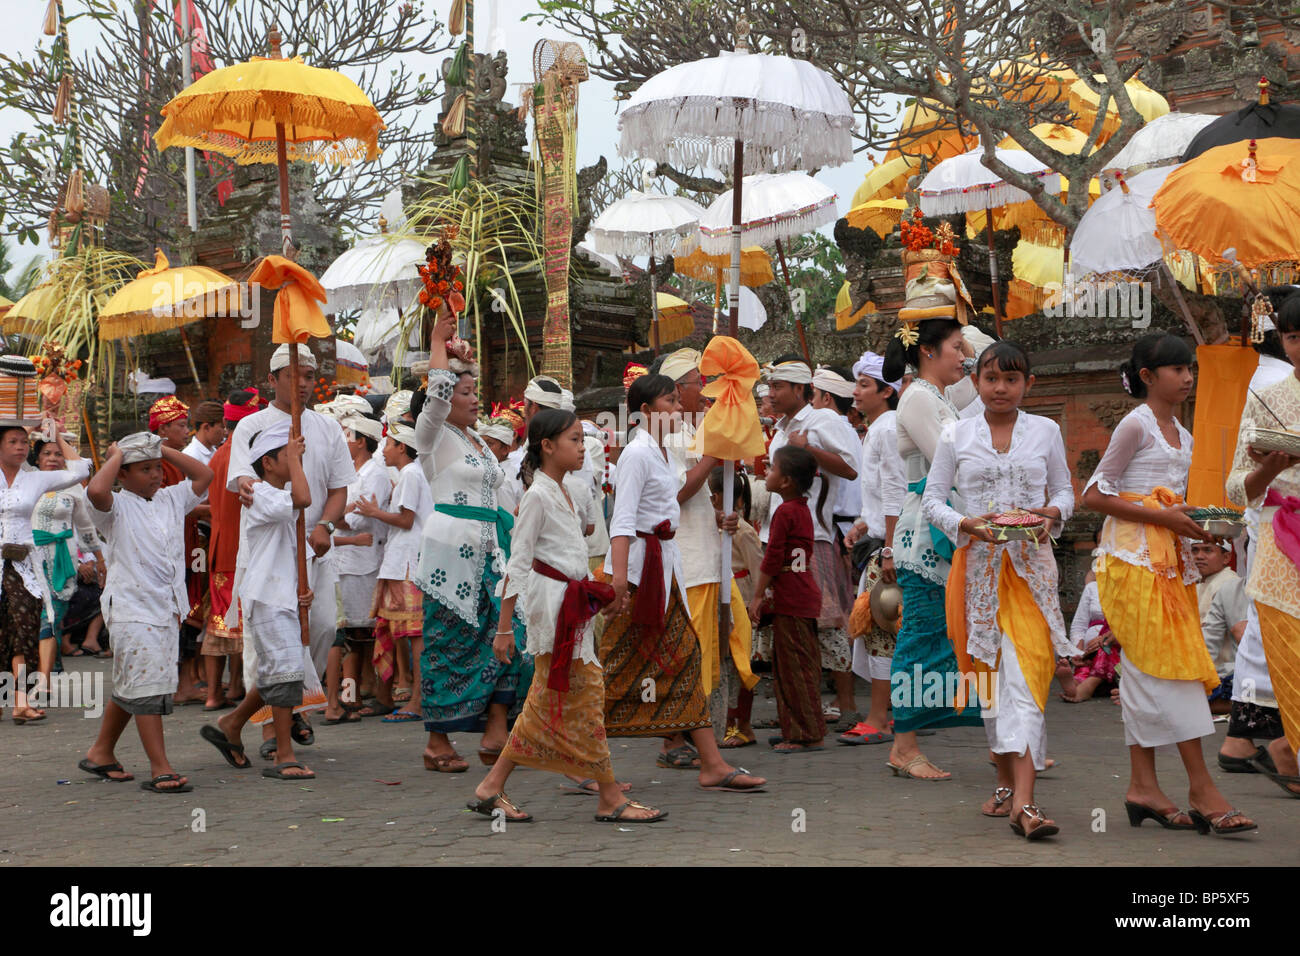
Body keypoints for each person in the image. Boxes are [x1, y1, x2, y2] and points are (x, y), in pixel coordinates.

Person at [1083, 331, 1255, 834]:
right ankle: (1201, 787)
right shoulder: (1135, 426)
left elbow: (1171, 508)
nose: (1187, 378)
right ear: (1147, 378)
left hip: (1167, 564)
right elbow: (1094, 496)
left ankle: (1143, 787)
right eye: (1178, 370)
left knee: (1145, 673)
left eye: (1189, 370)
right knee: (1171, 668)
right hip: (1130, 563)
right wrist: (1164, 517)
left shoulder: (1184, 433)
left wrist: (1192, 520)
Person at [468, 409, 666, 823]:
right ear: (547, 446)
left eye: (581, 440)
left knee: (548, 701)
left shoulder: (566, 490)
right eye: (574, 440)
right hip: (555, 610)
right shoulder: (537, 495)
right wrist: (503, 628)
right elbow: (517, 566)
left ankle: (491, 786)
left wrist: (602, 590)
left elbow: (578, 550)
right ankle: (610, 797)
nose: (581, 448)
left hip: (572, 606)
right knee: (586, 696)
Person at [923, 341, 1076, 839]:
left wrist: (1052, 514)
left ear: (1027, 385)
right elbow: (932, 501)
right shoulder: (956, 433)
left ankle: (1025, 804)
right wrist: (969, 522)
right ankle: (1008, 783)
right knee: (992, 683)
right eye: (991, 379)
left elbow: (1064, 491)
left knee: (1028, 681)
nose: (1001, 389)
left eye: (1012, 380)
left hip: (1032, 573)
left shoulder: (1047, 431)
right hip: (980, 573)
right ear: (977, 382)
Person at [601, 373, 766, 793]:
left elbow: (673, 508)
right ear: (645, 412)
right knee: (611, 670)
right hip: (639, 574)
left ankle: (711, 762)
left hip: (666, 569)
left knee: (686, 658)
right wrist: (619, 581)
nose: (678, 409)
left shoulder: (664, 454)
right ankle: (577, 758)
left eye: (677, 401)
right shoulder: (636, 455)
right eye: (670, 402)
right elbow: (622, 521)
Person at [414, 309, 530, 773]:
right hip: (449, 554)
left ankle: (495, 729)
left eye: (474, 391)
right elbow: (437, 396)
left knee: (506, 635)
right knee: (450, 644)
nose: (474, 399)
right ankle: (437, 741)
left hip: (490, 552)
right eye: (467, 393)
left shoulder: (479, 442)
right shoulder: (433, 436)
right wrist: (439, 341)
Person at [227, 344, 354, 759]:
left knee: (319, 629)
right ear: (273, 379)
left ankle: (294, 703)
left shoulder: (328, 428)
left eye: (308, 375)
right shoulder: (251, 427)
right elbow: (244, 482)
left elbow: (338, 489)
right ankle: (268, 730)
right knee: (265, 643)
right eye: (293, 375)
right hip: (269, 554)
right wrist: (254, 488)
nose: (302, 383)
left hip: (315, 549)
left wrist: (325, 526)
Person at [880, 317, 983, 779]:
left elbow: (985, 362)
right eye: (955, 347)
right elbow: (952, 463)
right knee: (923, 633)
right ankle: (903, 744)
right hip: (926, 531)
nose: (964, 356)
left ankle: (1008, 739)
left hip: (948, 525)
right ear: (927, 351)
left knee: (959, 632)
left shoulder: (938, 395)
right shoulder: (918, 397)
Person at [81, 432, 212, 790]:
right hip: (131, 609)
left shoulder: (171, 498)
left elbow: (204, 476)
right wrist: (119, 455)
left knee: (134, 683)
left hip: (166, 608)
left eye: (158, 468)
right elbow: (95, 491)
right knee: (148, 685)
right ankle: (160, 767)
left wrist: (160, 449)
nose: (156, 475)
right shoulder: (114, 507)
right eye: (144, 469)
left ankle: (101, 752)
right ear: (122, 475)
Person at [202, 422, 319, 780]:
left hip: (280, 594)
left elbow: (292, 547)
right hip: (268, 597)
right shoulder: (263, 494)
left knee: (279, 674)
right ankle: (284, 754)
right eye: (286, 456)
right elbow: (304, 498)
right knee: (284, 675)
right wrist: (298, 461)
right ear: (268, 463)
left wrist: (304, 586)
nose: (296, 461)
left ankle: (231, 722)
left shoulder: (270, 495)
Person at [659, 347, 757, 756]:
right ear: (679, 391)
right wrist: (714, 456)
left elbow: (698, 501)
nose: (705, 391)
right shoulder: (664, 438)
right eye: (699, 383)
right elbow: (675, 495)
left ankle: (705, 731)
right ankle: (672, 740)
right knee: (689, 653)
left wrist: (722, 518)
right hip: (689, 563)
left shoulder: (697, 433)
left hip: (709, 556)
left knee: (733, 638)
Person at [1226, 295, 1300, 797]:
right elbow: (1234, 488)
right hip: (1280, 541)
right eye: (1295, 338)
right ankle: (1284, 746)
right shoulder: (1268, 397)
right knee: (1287, 650)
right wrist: (1269, 468)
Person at [761, 357, 859, 728]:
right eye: (771, 387)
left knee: (825, 621)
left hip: (812, 537)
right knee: (786, 623)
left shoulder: (822, 421)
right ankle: (798, 707)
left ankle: (846, 704)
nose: (772, 394)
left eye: (779, 387)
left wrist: (809, 450)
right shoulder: (784, 426)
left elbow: (849, 468)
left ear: (801, 390)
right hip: (779, 532)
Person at [0, 423, 89, 724]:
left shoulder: (35, 480)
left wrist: (57, 435)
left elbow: (80, 470)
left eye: (25, 442)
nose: (20, 447)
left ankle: (21, 701)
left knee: (24, 631)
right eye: (12, 441)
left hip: (23, 565)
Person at [842, 350, 905, 745]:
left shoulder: (886, 429)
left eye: (864, 385)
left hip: (888, 549)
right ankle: (892, 713)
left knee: (881, 630)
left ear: (886, 391)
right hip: (880, 539)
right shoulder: (880, 427)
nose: (856, 392)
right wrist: (866, 523)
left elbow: (898, 491)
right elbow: (883, 496)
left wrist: (889, 549)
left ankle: (879, 717)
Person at [750, 445, 827, 753]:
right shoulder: (800, 509)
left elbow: (773, 558)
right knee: (794, 666)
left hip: (793, 599)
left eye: (772, 468)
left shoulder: (786, 511)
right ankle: (796, 729)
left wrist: (757, 595)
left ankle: (805, 734)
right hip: (799, 595)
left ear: (786, 482)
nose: (766, 473)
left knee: (795, 669)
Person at [358, 420, 432, 722]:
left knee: (415, 634)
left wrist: (374, 512)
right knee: (394, 630)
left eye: (389, 444)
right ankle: (388, 694)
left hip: (408, 564)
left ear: (402, 447)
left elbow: (405, 520)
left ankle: (417, 699)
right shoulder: (407, 475)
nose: (384, 450)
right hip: (401, 562)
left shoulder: (411, 475)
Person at [325, 412, 388, 724]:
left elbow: (357, 518)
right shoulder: (350, 470)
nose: (344, 441)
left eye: (349, 436)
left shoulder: (374, 473)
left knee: (360, 631)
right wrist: (339, 513)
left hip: (363, 560)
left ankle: (361, 692)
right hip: (345, 558)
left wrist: (336, 515)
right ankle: (352, 693)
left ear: (362, 442)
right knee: (349, 630)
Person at [201, 389, 261, 711]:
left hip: (221, 549)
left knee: (224, 623)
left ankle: (228, 687)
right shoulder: (245, 459)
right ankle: (223, 690)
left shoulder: (218, 456)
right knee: (231, 624)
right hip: (237, 552)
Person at [30, 435, 103, 682]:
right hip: (28, 561)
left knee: (51, 616)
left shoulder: (73, 487)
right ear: (37, 459)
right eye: (47, 454)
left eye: (57, 454)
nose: (52, 458)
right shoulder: (24, 482)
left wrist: (100, 558)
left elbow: (85, 527)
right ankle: (49, 667)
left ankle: (45, 678)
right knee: (34, 617)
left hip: (63, 559)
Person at [148, 395, 207, 705]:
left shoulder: (176, 461)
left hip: (185, 549)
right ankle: (179, 684)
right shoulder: (162, 464)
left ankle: (183, 682)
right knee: (177, 617)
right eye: (182, 426)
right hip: (171, 554)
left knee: (187, 615)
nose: (188, 431)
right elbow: (173, 506)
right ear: (163, 430)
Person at [709, 466, 764, 749]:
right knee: (725, 665)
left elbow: (757, 569)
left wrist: (757, 601)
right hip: (720, 601)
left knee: (742, 665)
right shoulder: (712, 529)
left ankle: (743, 725)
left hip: (740, 602)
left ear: (717, 498)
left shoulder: (742, 532)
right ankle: (725, 723)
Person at [1192, 538, 1246, 715]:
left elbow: (1241, 635)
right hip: (1204, 666)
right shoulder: (1197, 582)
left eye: (1207, 550)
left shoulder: (1229, 584)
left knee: (1174, 703)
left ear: (1226, 557)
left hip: (1226, 670)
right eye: (1195, 550)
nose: (1199, 556)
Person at [1059, 564, 1119, 703]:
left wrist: (1105, 637)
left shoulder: (1135, 587)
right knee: (1091, 658)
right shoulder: (1092, 588)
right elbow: (1079, 626)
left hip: (1118, 651)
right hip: (1089, 655)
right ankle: (1075, 683)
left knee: (1107, 646)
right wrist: (1078, 651)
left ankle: (1087, 686)